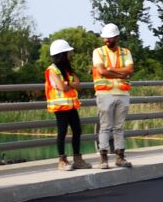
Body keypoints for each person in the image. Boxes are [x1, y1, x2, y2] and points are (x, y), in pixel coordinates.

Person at [91, 23, 134, 168]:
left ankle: (120, 157)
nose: (106, 40)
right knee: (105, 127)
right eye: (105, 38)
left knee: (119, 127)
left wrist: (112, 69)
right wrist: (121, 72)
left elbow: (130, 70)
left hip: (122, 93)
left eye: (109, 38)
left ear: (116, 37)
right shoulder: (98, 52)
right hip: (104, 93)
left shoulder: (125, 52)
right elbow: (102, 72)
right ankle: (103, 158)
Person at [46, 38, 87, 171]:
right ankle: (62, 160)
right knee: (62, 131)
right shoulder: (52, 70)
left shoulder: (68, 69)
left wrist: (67, 85)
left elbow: (78, 83)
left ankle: (77, 159)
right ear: (62, 54)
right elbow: (61, 87)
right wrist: (68, 85)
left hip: (71, 106)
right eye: (68, 53)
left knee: (77, 130)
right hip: (60, 107)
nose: (70, 55)